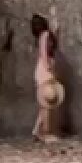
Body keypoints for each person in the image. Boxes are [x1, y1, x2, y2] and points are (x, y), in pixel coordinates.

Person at [30, 13, 64, 142]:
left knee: (46, 103)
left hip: (44, 68)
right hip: (45, 69)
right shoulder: (44, 35)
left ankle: (37, 131)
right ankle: (45, 133)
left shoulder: (45, 35)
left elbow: (53, 42)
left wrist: (57, 28)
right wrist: (49, 67)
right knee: (48, 102)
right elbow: (44, 53)